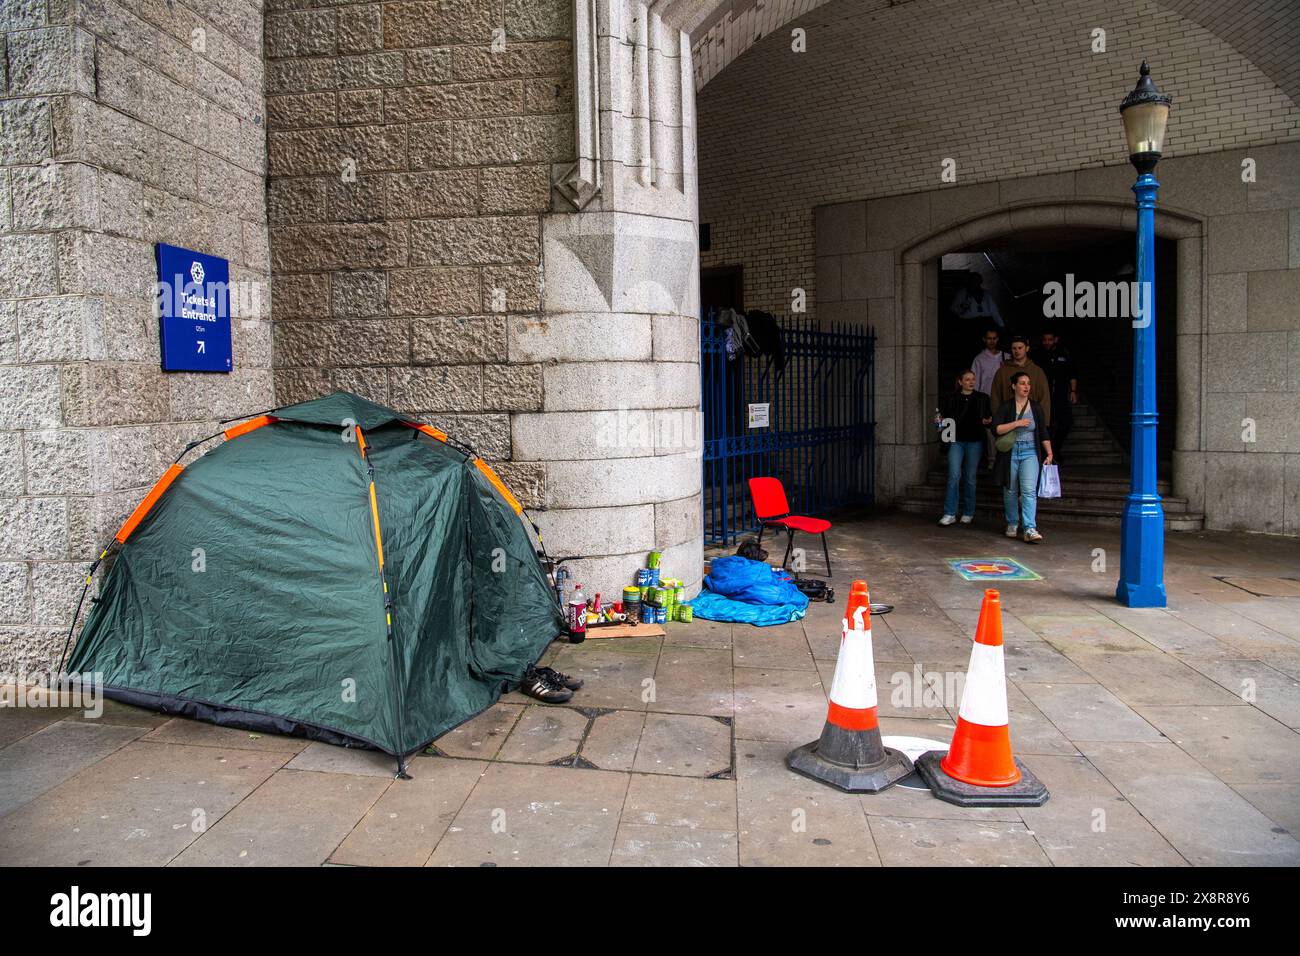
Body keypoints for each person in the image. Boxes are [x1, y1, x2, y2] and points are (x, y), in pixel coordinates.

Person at [992, 370, 1054, 543]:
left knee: (1028, 491)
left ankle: (1029, 528)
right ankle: (1012, 522)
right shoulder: (1006, 406)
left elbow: (1043, 431)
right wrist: (1017, 423)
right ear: (1014, 386)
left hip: (1030, 452)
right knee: (1010, 490)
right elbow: (996, 429)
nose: (1026, 386)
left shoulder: (1036, 408)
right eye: (1022, 383)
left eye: (1028, 383)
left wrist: (1049, 453)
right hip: (1011, 452)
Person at [937, 370, 993, 526]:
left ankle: (968, 511)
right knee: (954, 475)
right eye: (967, 379)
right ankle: (949, 513)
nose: (971, 382)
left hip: (975, 440)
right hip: (956, 440)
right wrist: (940, 426)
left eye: (973, 379)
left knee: (970, 477)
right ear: (960, 381)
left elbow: (989, 417)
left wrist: (988, 420)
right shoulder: (950, 398)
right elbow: (942, 419)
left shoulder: (982, 398)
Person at [989, 335, 1052, 425]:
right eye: (1014, 348)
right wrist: (998, 421)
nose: (1017, 351)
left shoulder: (1037, 371)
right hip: (1008, 420)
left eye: (1020, 348)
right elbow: (995, 398)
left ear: (1027, 348)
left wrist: (1043, 423)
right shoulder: (1002, 372)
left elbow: (1044, 398)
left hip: (1031, 420)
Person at [971, 327, 1008, 466]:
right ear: (984, 340)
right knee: (990, 432)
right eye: (989, 338)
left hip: (1004, 400)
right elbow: (975, 382)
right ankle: (993, 460)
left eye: (994, 338)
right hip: (986, 399)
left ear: (997, 339)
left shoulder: (1006, 357)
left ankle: (1003, 460)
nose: (992, 341)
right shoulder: (979, 359)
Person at [1038, 330, 1077, 460]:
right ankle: (1047, 453)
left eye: (1050, 339)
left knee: (1066, 422)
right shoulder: (1038, 355)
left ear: (1056, 339)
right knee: (1046, 424)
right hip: (1044, 396)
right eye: (1045, 339)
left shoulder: (1064, 354)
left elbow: (1072, 374)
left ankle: (1056, 448)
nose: (1047, 342)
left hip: (1060, 394)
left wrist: (1073, 391)